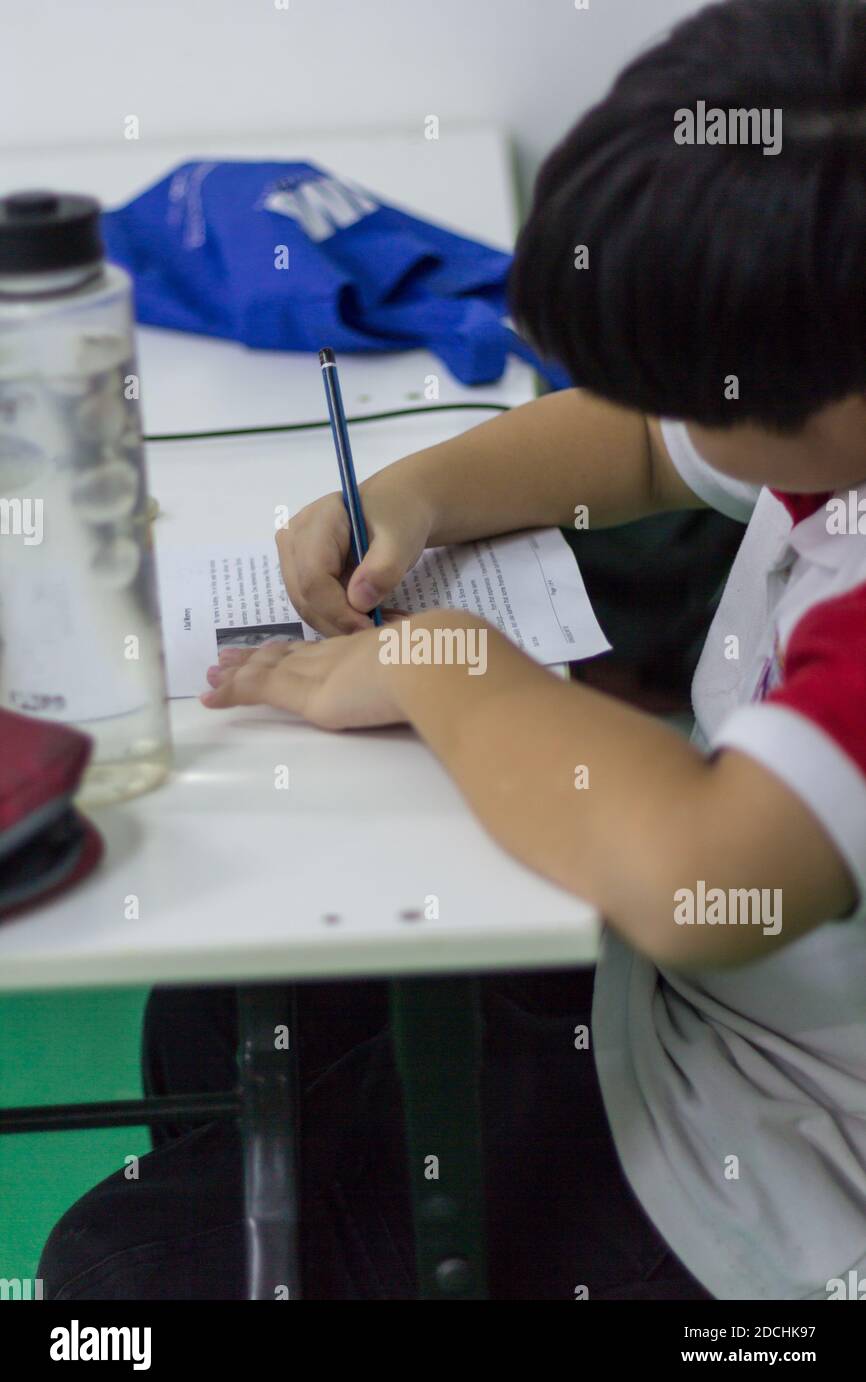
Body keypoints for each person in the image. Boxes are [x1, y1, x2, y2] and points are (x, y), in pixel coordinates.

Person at [41, 0, 866, 1300]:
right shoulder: (831, 387)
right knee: (222, 1010)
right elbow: (652, 446)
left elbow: (704, 876)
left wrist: (445, 665)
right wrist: (410, 498)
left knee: (115, 1269)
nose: (669, 409)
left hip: (772, 1173)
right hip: (699, 1005)